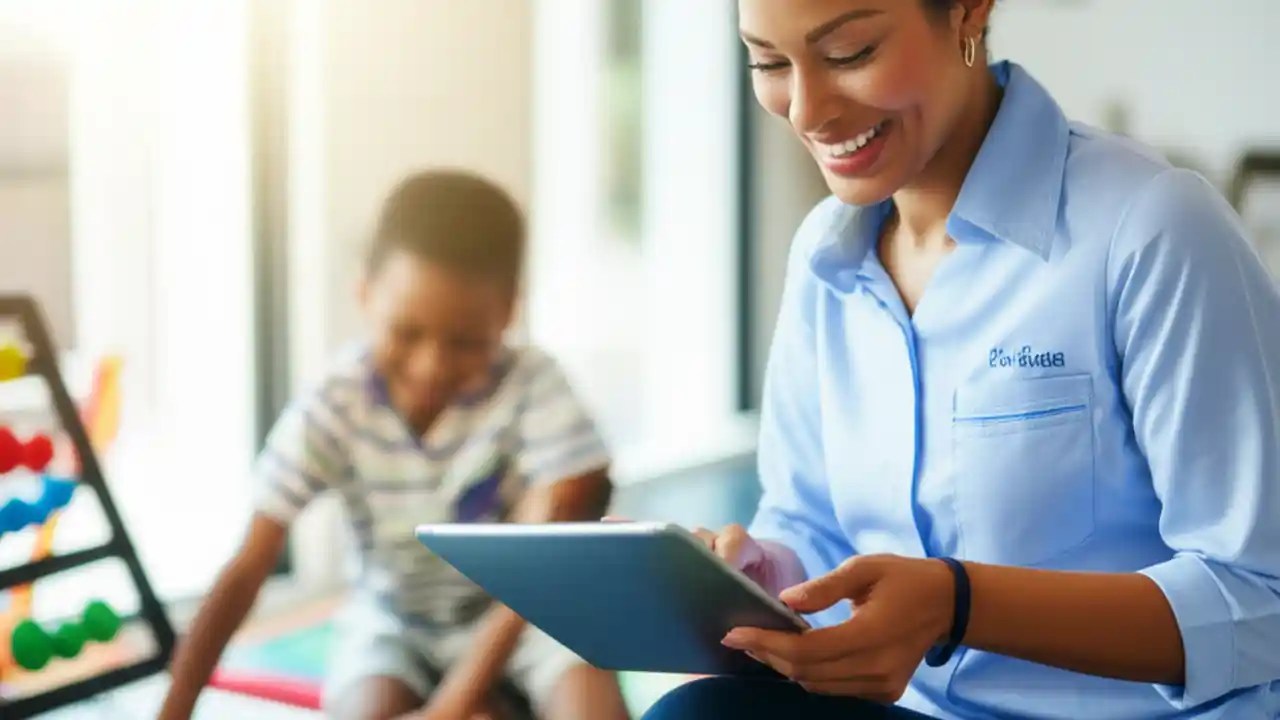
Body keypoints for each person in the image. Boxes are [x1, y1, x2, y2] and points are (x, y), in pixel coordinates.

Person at [645, 1, 1280, 718]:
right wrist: (755, 576)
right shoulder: (825, 256)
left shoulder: (1150, 227)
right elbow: (809, 524)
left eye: (850, 53)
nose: (807, 111)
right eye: (769, 62)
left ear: (970, 11)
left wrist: (960, 604)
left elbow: (1262, 598)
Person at [159, 170, 630, 720]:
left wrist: (451, 705)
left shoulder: (534, 385)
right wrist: (174, 709)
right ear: (364, 293)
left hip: (529, 615)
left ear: (507, 311)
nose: (431, 366)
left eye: (465, 342)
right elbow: (248, 567)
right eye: (406, 332)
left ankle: (494, 701)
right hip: (394, 622)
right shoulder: (336, 402)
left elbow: (550, 558)